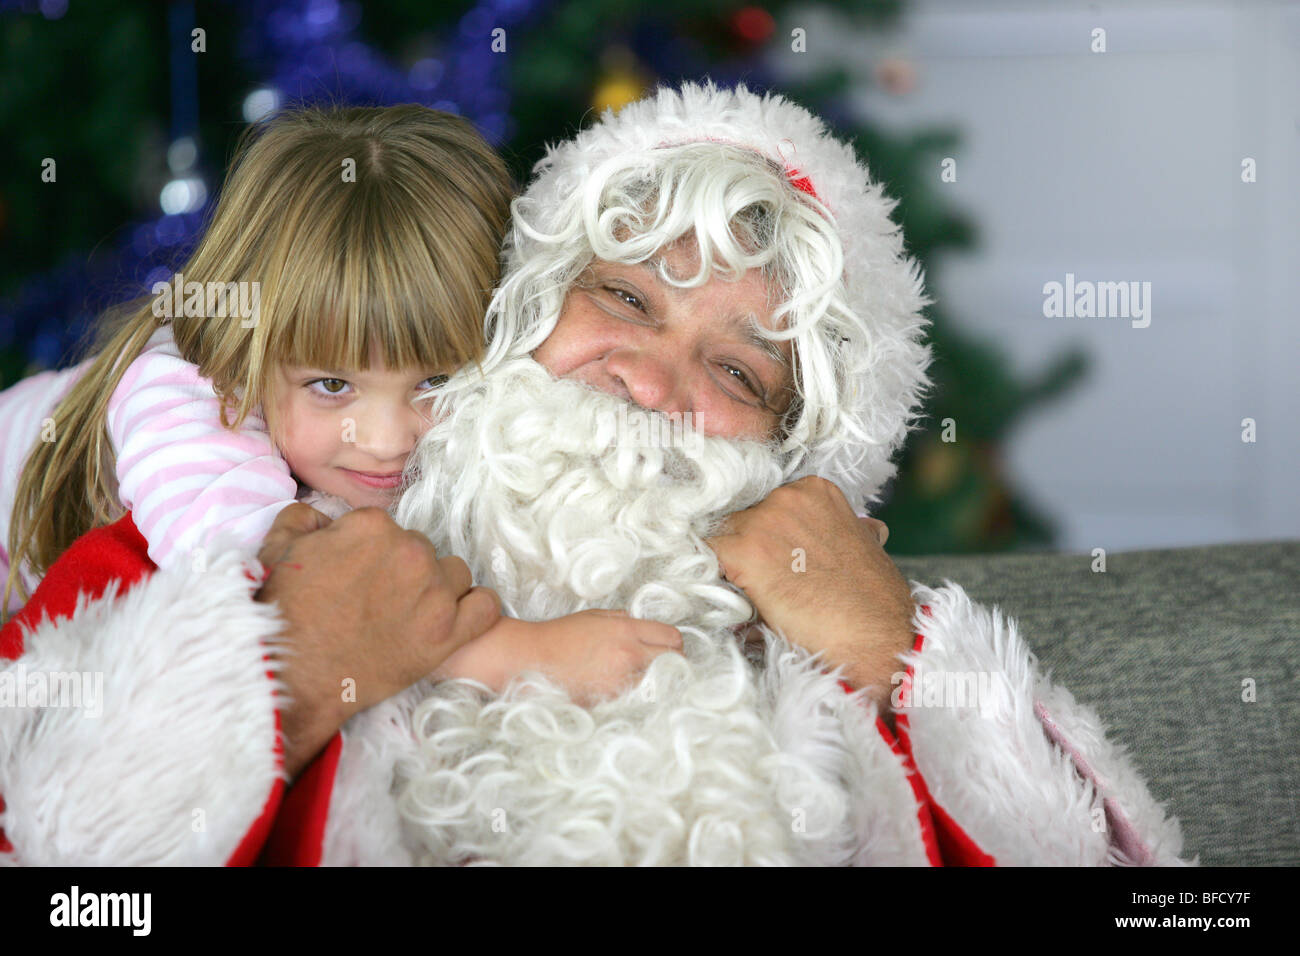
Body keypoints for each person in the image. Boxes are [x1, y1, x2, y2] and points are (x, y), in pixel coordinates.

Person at [0, 84, 1190, 865]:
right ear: (517, 307)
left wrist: (901, 661)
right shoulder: (219, 557)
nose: (651, 378)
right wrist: (293, 677)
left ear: (800, 449)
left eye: (737, 369)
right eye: (622, 296)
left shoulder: (842, 649)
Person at [0, 104, 680, 697]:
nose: (385, 440)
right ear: (249, 353)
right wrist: (512, 655)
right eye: (332, 385)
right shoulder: (185, 398)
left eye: (435, 382)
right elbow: (285, 600)